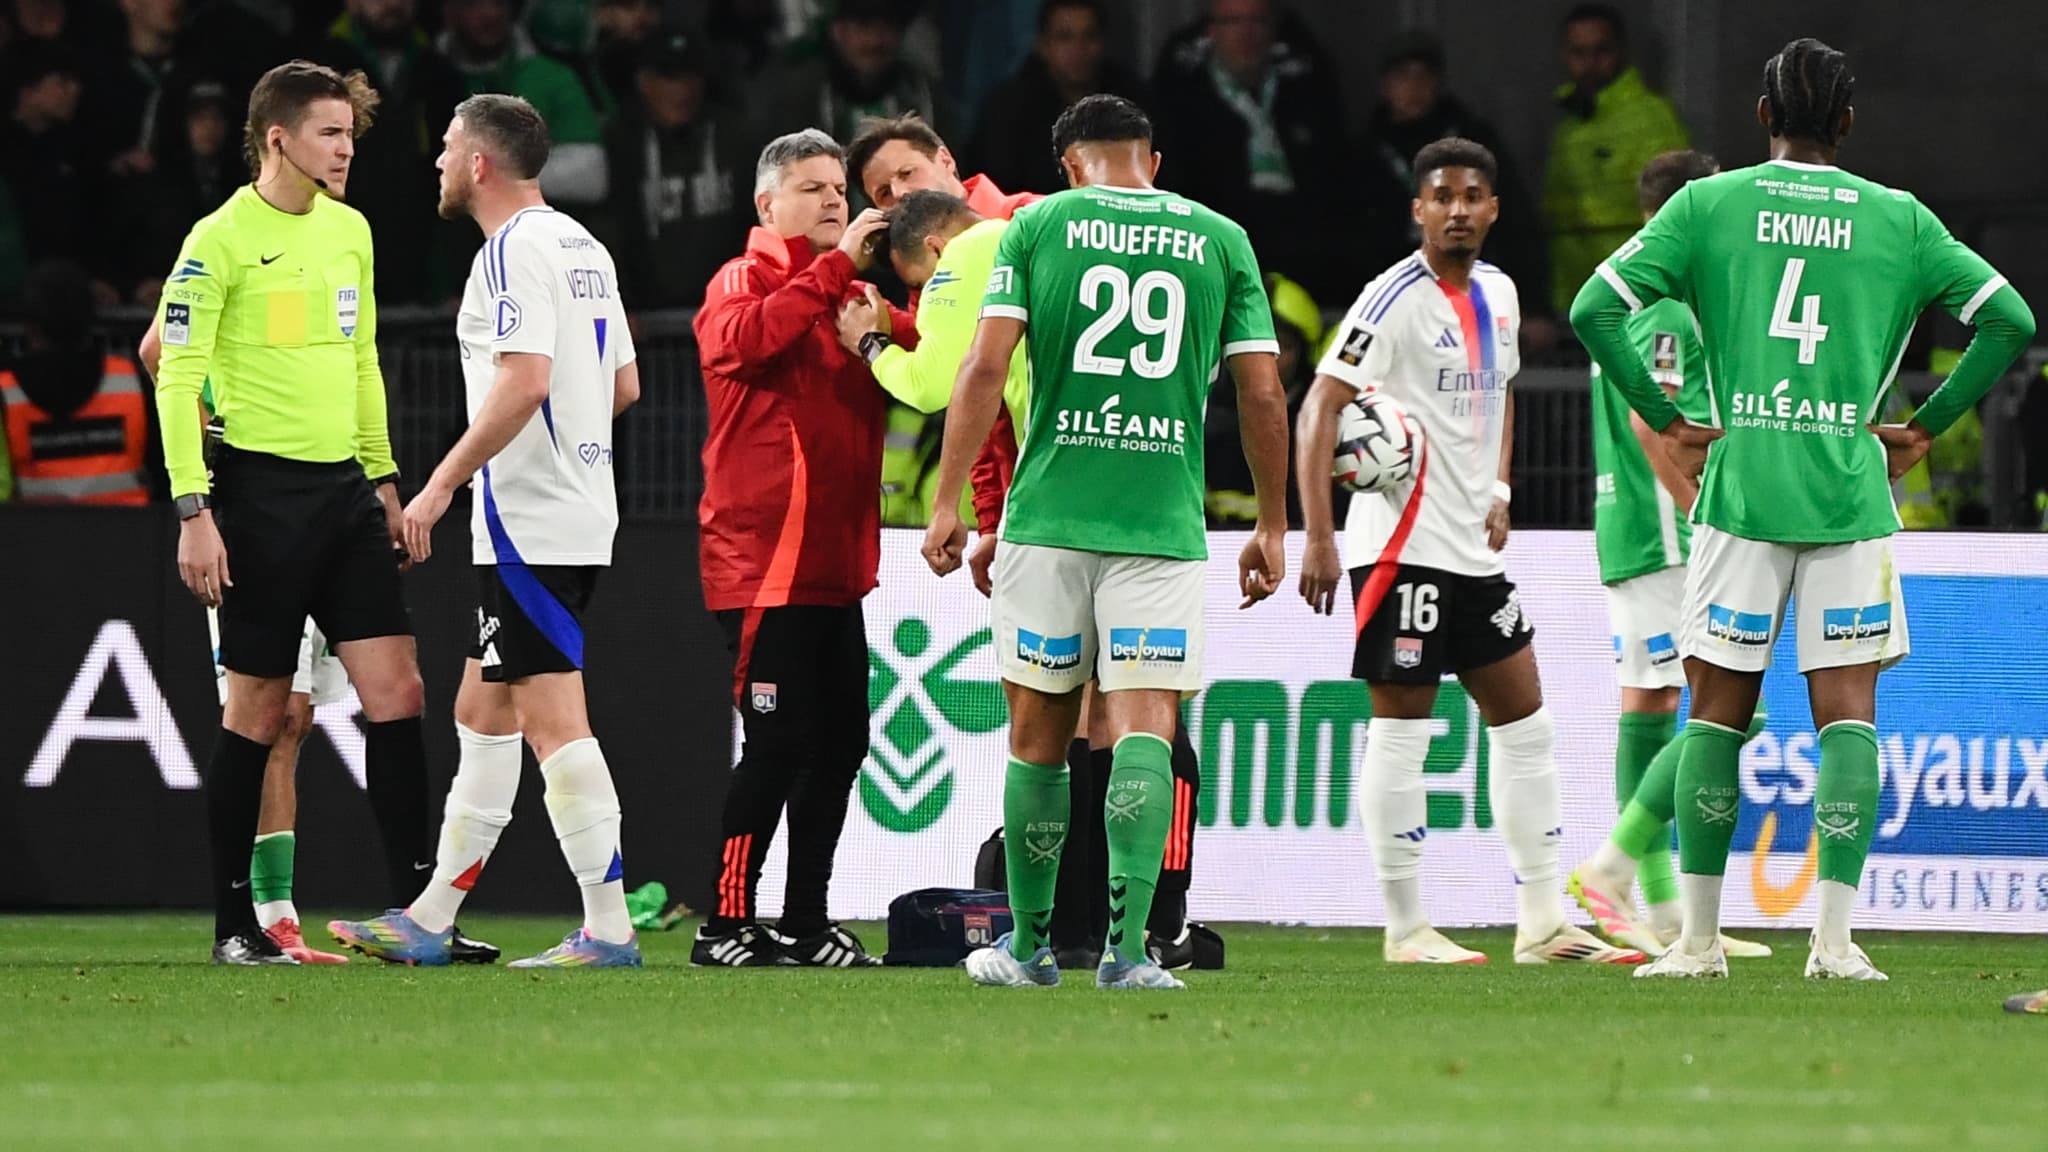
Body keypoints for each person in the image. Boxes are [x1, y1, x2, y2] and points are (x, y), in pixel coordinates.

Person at [1569, 38, 2034, 980]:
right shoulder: (1900, 217)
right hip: (1849, 496)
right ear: (1848, 122)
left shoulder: (1708, 203)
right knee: (1848, 718)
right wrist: (1924, 425)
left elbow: (1592, 309)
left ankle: (1698, 944)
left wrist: (1666, 416)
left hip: (1740, 491)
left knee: (1714, 717)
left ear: (1762, 116)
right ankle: (1833, 942)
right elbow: (2010, 320)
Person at [922, 93, 1290, 990]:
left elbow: (984, 364)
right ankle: (1129, 954)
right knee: (1145, 727)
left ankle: (1028, 948)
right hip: (1161, 525)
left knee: (1039, 734)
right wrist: (1273, 522)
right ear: (1151, 160)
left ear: (1067, 165)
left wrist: (948, 501)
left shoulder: (1036, 227)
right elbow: (1261, 392)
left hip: (1048, 520)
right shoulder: (1222, 238)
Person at [846, 117, 1206, 971]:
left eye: (904, 179)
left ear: (946, 164)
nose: (894, 199)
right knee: (1136, 713)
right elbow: (997, 397)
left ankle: (1063, 935)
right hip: (1145, 492)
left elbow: (949, 382)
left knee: (1057, 720)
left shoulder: (988, 245)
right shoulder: (1071, 221)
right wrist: (990, 513)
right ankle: (1134, 932)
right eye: (879, 193)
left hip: (1054, 507)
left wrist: (871, 340)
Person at [1296, 137, 1638, 967]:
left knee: (1527, 726)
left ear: (1493, 209)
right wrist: (1318, 535)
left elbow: (1503, 390)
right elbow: (1319, 408)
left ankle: (1542, 924)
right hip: (1400, 549)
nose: (1457, 210)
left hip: (1473, 555)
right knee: (1403, 735)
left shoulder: (1501, 292)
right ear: (1418, 208)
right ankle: (1406, 927)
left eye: (1472, 196)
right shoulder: (1390, 299)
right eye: (1442, 196)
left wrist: (1501, 488)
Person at [329, 94, 644, 968]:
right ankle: (431, 916)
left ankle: (610, 927)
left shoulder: (507, 251)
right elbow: (622, 387)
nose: (435, 161)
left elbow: (524, 381)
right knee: (483, 708)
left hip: (528, 519)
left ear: (478, 164)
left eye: (445, 147)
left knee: (553, 722)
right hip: (575, 505)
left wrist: (438, 487)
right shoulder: (583, 245)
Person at [152, 60, 437, 964]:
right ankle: (235, 925)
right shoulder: (219, 240)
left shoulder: (351, 231)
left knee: (399, 693)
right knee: (260, 714)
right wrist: (194, 508)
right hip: (259, 499)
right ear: (278, 138)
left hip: (344, 492)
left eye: (350, 133)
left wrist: (383, 480)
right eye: (330, 133)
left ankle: (418, 916)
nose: (347, 149)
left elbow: (362, 360)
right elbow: (175, 375)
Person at [690, 128, 914, 968]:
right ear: (767, 204)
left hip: (834, 568)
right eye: (813, 188)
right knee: (778, 744)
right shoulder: (742, 280)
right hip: (763, 565)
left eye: (838, 190)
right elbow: (740, 343)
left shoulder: (852, 296)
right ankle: (723, 923)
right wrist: (836, 271)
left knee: (843, 744)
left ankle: (804, 923)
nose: (833, 201)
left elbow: (930, 353)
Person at [1564, 150, 1770, 962]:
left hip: (1629, 530)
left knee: (1650, 708)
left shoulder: (1624, 287)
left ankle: (1663, 911)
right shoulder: (1668, 306)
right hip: (1669, 533)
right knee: (1735, 707)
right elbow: (1654, 422)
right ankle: (1611, 869)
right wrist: (1700, 512)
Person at [1543, 3, 1688, 317]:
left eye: (1601, 50)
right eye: (1578, 52)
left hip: (1635, 298)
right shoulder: (1566, 130)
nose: (1590, 63)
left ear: (1621, 51)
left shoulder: (1653, 117)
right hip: (1576, 303)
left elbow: (1674, 215)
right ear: (1564, 55)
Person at [966, 0, 1147, 198]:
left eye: (1089, 36)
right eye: (1065, 37)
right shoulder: (1007, 109)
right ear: (1043, 44)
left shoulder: (1131, 101)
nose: (1078, 49)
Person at [2, 260, 147, 505]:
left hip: (36, 527)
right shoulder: (130, 379)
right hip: (130, 525)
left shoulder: (6, 390)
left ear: (29, 325)